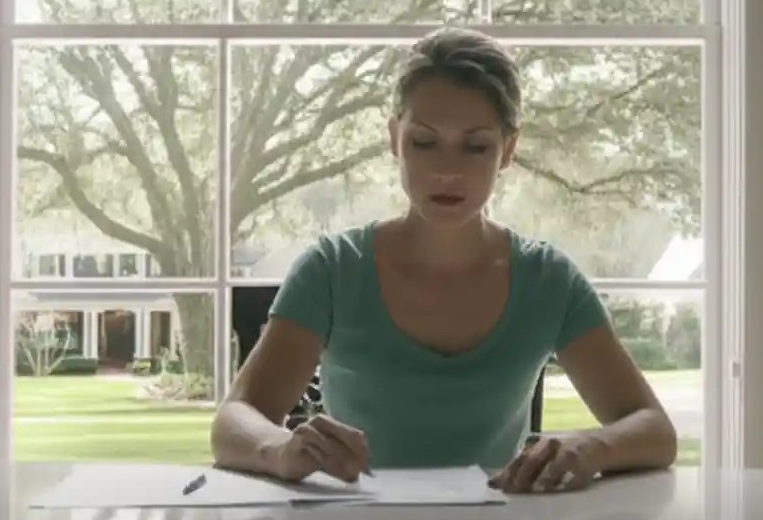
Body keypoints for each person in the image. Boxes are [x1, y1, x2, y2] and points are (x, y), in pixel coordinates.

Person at [210, 27, 678, 494]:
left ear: (508, 150)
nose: (447, 170)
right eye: (424, 142)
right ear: (395, 138)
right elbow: (235, 417)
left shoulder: (548, 281)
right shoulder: (332, 271)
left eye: (475, 146)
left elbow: (654, 428)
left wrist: (592, 446)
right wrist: (281, 448)